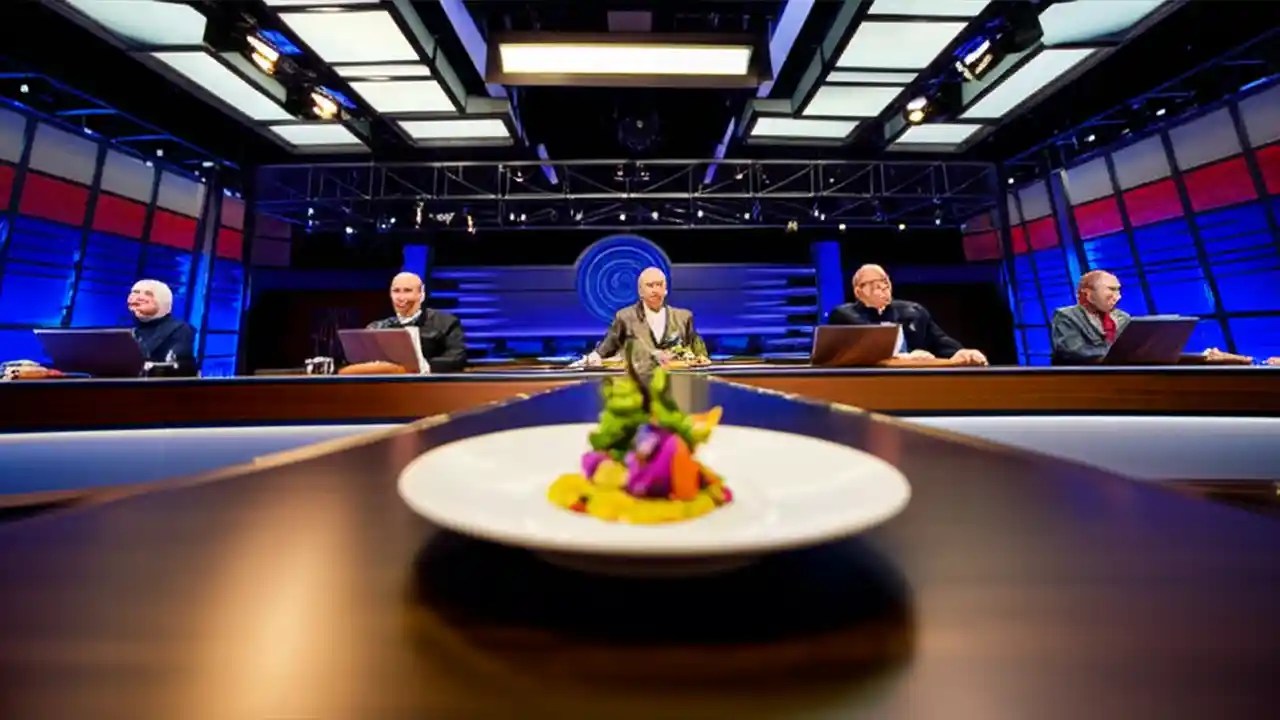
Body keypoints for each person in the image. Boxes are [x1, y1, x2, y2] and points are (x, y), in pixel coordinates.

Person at [827, 264, 988, 365]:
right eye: (874, 284)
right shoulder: (844, 315)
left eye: (885, 282)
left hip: (918, 378)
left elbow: (940, 340)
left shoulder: (913, 311)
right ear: (858, 291)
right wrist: (905, 358)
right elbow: (860, 353)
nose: (883, 287)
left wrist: (960, 352)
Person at [579, 266, 707, 367]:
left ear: (666, 289)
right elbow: (604, 350)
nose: (655, 290)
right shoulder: (625, 317)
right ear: (640, 291)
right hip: (636, 383)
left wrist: (701, 358)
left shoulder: (684, 318)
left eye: (659, 285)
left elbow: (699, 353)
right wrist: (589, 360)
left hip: (675, 383)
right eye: (650, 285)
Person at [366, 271, 467, 373]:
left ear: (421, 295)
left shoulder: (446, 322)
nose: (401, 298)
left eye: (407, 291)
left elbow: (457, 358)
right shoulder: (377, 328)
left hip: (433, 386)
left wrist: (421, 366)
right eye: (396, 291)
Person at [1050, 270, 1131, 365]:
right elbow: (1074, 351)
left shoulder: (1123, 318)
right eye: (1111, 289)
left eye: (1118, 290)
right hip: (1082, 377)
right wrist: (1117, 356)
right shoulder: (1066, 316)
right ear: (1088, 294)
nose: (1118, 297)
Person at [128, 279, 196, 376]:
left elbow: (177, 365)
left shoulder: (180, 329)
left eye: (148, 294)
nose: (138, 298)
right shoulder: (132, 332)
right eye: (135, 292)